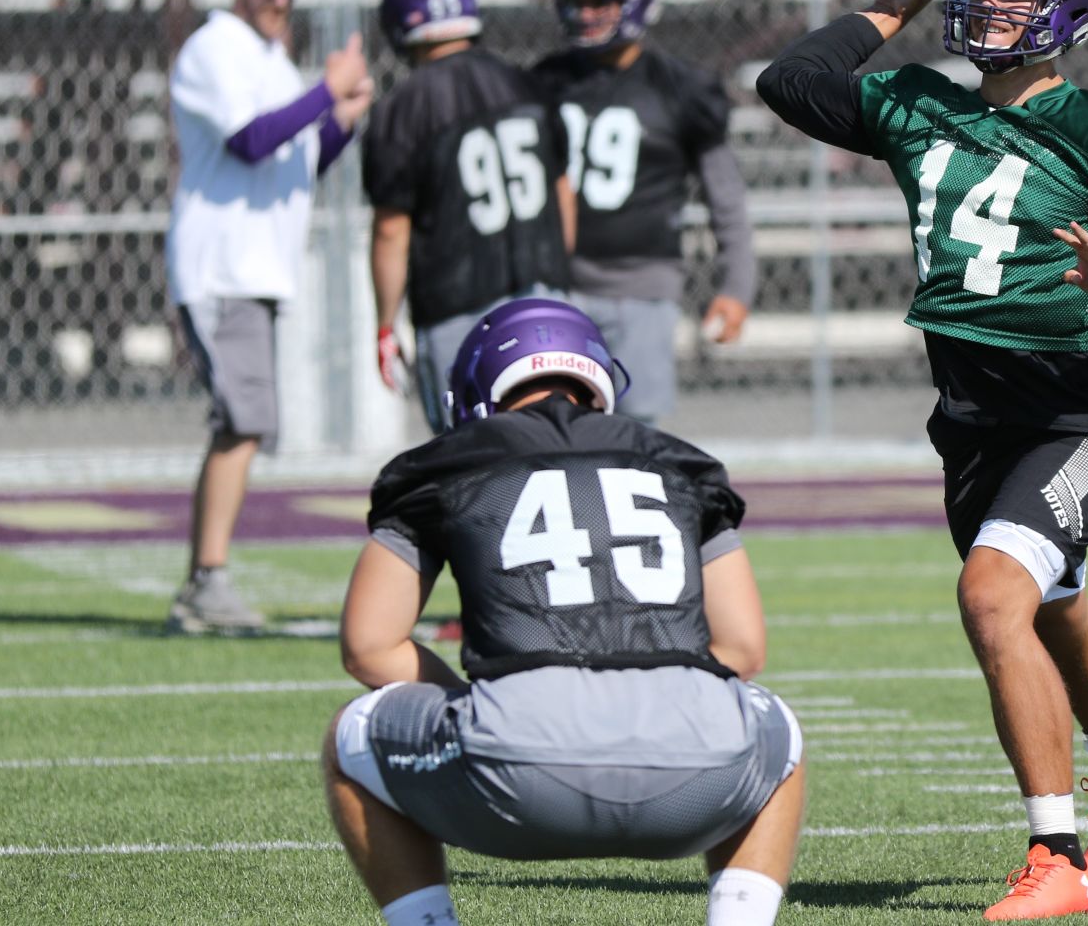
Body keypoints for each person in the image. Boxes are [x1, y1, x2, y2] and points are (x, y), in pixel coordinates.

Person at [757, 0, 1088, 920]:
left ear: (1067, 9)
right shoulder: (918, 102)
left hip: (1082, 414)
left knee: (991, 598)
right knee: (1050, 604)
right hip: (973, 416)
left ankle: (1057, 857)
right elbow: (790, 82)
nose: (987, 5)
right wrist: (893, 0)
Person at [322, 297, 804, 926]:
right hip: (699, 777)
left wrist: (479, 698)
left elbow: (368, 646)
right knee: (779, 731)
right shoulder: (681, 466)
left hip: (515, 773)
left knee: (352, 732)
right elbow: (742, 650)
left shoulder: (445, 466)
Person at [165, 0, 374, 633]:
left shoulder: (269, 58)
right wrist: (325, 91)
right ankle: (207, 580)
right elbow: (250, 141)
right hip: (224, 265)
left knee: (245, 424)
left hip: (254, 267)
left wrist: (343, 118)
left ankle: (206, 579)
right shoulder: (214, 47)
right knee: (244, 422)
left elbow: (296, 161)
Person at [530, 0, 756, 426]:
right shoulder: (543, 80)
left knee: (634, 432)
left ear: (635, 2)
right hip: (551, 283)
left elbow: (726, 198)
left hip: (641, 286)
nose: (586, 15)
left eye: (600, 2)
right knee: (546, 429)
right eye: (577, 3)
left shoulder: (681, 88)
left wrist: (736, 285)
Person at [364, 0, 576, 431]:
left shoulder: (401, 109)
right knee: (553, 445)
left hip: (456, 307)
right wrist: (557, 277)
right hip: (546, 299)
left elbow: (392, 230)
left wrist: (384, 323)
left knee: (469, 463)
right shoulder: (525, 83)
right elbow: (563, 195)